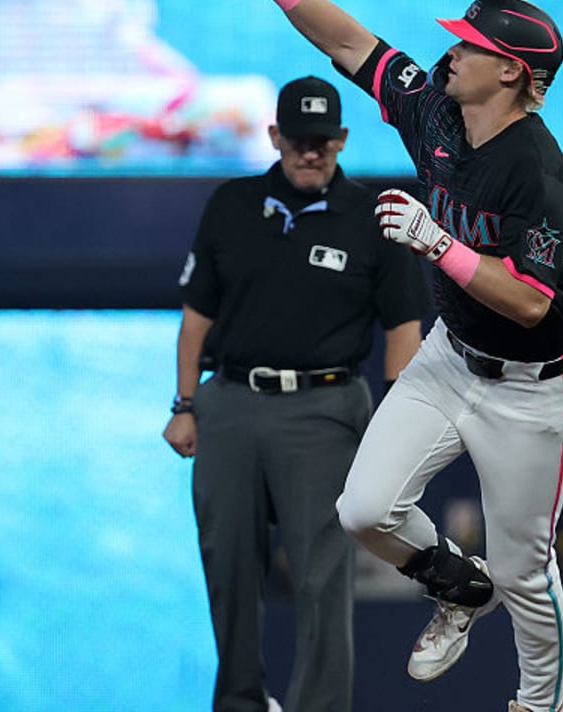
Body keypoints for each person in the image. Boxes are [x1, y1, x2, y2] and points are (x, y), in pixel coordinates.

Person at [207, 0, 563, 712]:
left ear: (514, 74)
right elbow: (355, 46)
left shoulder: (538, 171)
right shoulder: (442, 114)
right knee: (363, 509)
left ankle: (541, 705)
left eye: (471, 46)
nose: (451, 52)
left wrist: (438, 246)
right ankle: (457, 587)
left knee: (526, 567)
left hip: (535, 385)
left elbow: (531, 302)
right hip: (453, 356)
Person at [163, 75, 426, 712]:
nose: (311, 153)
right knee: (227, 566)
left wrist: (394, 433)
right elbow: (196, 315)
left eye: (323, 141)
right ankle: (239, 702)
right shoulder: (230, 203)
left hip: (325, 408)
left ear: (341, 139)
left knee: (322, 577)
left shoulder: (374, 218)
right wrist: (183, 404)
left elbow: (405, 330)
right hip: (229, 400)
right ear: (276, 136)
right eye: (299, 140)